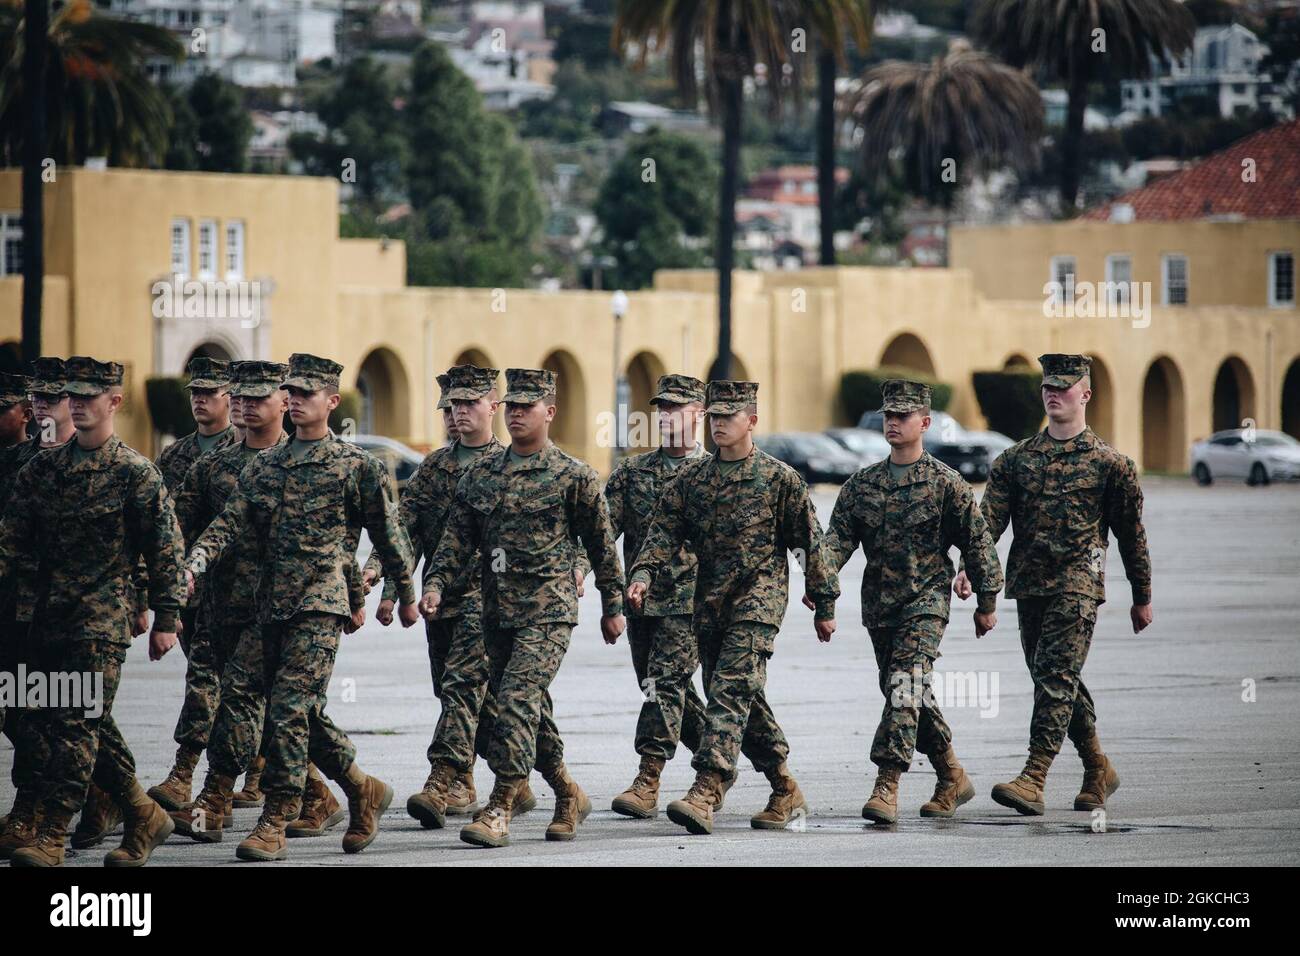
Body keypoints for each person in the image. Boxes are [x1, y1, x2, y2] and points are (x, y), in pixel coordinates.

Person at [185, 353, 419, 861]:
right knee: (253, 699)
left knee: (289, 709)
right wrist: (193, 564)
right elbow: (229, 523)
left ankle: (275, 818)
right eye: (290, 392)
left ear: (332, 402)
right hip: (267, 603)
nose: (294, 400)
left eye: (305, 393)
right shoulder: (268, 465)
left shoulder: (357, 466)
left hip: (321, 603)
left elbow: (390, 534)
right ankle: (360, 787)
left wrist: (402, 593)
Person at [420, 367, 626, 848]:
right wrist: (435, 584)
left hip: (548, 612)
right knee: (524, 711)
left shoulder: (574, 476)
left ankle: (500, 805)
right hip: (496, 612)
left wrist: (612, 606)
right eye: (510, 406)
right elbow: (455, 541)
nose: (515, 414)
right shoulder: (481, 475)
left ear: (549, 413)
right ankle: (566, 791)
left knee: (514, 701)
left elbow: (600, 547)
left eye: (526, 407)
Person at [627, 380, 839, 836]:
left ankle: (708, 786)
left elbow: (809, 542)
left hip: (758, 602)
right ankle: (784, 785)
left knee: (727, 691)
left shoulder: (779, 478)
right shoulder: (693, 480)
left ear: (752, 421)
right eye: (716, 417)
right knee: (744, 698)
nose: (720, 425)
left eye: (729, 416)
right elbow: (662, 533)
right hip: (708, 604)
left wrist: (824, 601)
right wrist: (642, 575)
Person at [3, 356, 185, 867]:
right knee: (63, 723)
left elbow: (165, 552)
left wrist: (165, 619)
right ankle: (141, 812)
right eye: (73, 397)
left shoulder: (135, 474)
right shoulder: (42, 470)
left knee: (78, 725)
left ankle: (52, 836)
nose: (79, 406)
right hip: (45, 621)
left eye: (88, 398)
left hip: (100, 622)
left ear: (114, 402)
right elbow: (10, 543)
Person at [953, 354, 1152, 815]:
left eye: (1064, 387)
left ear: (1085, 394)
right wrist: (970, 568)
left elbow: (1131, 534)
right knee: (1054, 679)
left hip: (1079, 586)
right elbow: (988, 525)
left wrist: (1142, 596)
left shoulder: (1111, 465)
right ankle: (1097, 768)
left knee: (1055, 676)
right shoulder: (1016, 461)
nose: (1053, 394)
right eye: (1048, 386)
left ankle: (1034, 776)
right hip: (1029, 585)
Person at [823, 379, 1002, 824]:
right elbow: (834, 545)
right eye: (889, 416)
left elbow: (977, 542)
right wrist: (821, 591)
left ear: (924, 422)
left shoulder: (946, 484)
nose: (893, 423)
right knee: (905, 691)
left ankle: (887, 783)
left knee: (905, 685)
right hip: (880, 609)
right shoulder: (862, 485)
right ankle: (951, 775)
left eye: (903, 416)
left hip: (926, 603)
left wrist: (986, 599)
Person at [604, 374, 713, 819]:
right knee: (659, 687)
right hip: (641, 601)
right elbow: (601, 530)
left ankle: (648, 778)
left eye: (678, 409)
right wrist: (580, 569)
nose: (667, 417)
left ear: (700, 415)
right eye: (662, 409)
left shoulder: (714, 475)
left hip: (692, 604)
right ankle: (722, 752)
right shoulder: (633, 473)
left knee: (664, 685)